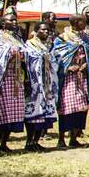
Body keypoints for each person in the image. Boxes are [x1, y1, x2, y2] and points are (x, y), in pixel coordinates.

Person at [0, 8, 26, 155]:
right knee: (1, 112)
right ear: (2, 23)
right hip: (3, 78)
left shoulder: (17, 37)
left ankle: (4, 143)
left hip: (16, 79)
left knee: (14, 112)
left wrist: (22, 55)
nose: (14, 22)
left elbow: (25, 51)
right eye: (10, 20)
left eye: (15, 20)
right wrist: (9, 52)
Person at [52, 14, 89, 149]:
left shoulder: (84, 37)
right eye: (82, 21)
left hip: (82, 77)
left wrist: (87, 64)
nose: (85, 24)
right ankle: (61, 138)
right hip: (68, 77)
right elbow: (56, 56)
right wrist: (68, 67)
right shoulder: (62, 38)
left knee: (81, 107)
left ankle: (74, 137)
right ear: (75, 22)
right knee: (67, 108)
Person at [22, 19, 58, 151]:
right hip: (34, 83)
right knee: (33, 112)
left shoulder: (48, 46)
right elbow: (26, 62)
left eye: (47, 30)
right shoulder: (28, 45)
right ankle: (29, 141)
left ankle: (36, 141)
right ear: (36, 31)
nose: (46, 32)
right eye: (42, 29)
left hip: (47, 84)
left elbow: (54, 61)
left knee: (44, 112)